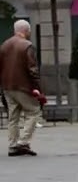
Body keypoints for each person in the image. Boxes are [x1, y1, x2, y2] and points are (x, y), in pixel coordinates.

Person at [0, 19, 45, 156]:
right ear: (26, 30)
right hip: (23, 86)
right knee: (34, 112)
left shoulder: (4, 45)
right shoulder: (27, 46)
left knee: (13, 116)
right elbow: (32, 69)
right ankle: (23, 142)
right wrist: (37, 86)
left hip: (8, 86)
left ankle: (13, 145)